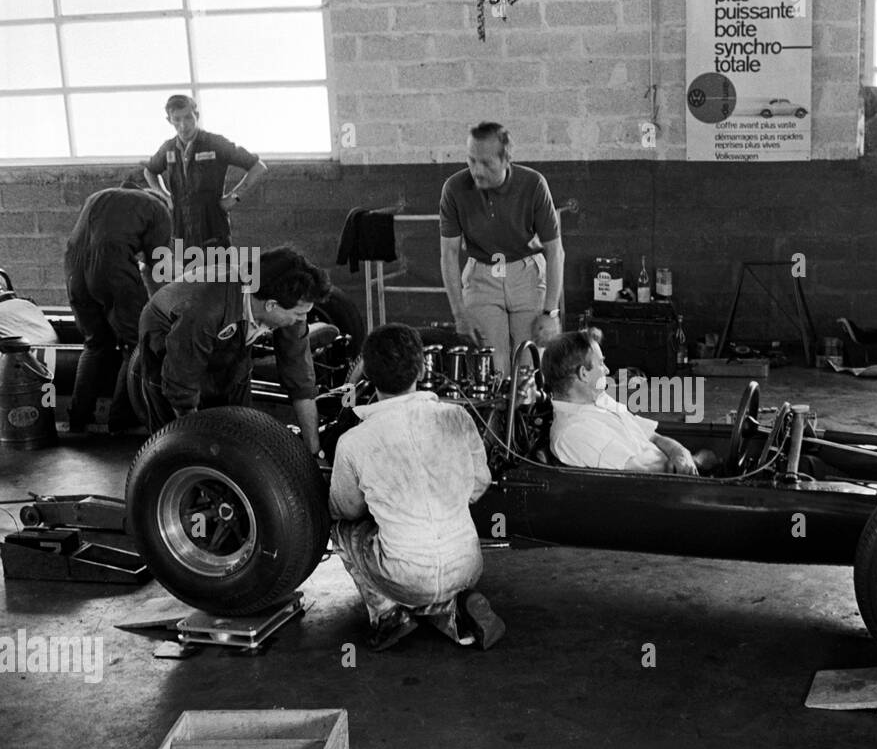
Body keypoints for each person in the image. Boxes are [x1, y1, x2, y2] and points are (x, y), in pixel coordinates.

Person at [329, 323, 502, 651]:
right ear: (423, 368)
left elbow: (346, 510)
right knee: (423, 555)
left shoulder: (353, 442)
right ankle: (452, 613)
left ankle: (387, 614)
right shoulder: (458, 417)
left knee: (342, 529)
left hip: (404, 575)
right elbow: (479, 485)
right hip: (468, 565)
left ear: (368, 375)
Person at [137, 245, 330, 453]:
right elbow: (180, 385)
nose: (303, 319)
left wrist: (313, 451)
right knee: (177, 440)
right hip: (167, 329)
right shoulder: (205, 309)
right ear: (271, 305)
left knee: (239, 429)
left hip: (226, 325)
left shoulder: (288, 303)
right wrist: (199, 448)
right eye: (299, 314)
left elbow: (300, 379)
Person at [439, 122, 565, 375]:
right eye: (472, 161)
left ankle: (527, 414)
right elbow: (449, 254)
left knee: (529, 367)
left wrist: (550, 312)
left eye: (486, 163)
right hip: (481, 277)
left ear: (507, 159)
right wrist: (459, 313)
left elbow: (555, 251)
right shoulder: (454, 188)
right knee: (491, 369)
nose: (477, 171)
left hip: (526, 274)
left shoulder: (533, 184)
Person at [63, 181, 172, 433]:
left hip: (72, 271)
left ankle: (78, 418)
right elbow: (157, 268)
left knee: (95, 344)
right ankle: (121, 419)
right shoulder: (159, 209)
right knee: (136, 344)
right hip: (111, 273)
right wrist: (161, 311)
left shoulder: (100, 195)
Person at [542, 329, 718, 474]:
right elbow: (643, 472)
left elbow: (653, 437)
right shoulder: (574, 432)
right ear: (584, 374)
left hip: (676, 471)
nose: (607, 369)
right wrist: (695, 461)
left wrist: (680, 452)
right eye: (601, 364)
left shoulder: (597, 400)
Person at [143, 95, 268, 253]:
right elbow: (150, 171)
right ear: (169, 120)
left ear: (197, 115)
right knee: (184, 277)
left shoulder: (215, 143)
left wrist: (234, 197)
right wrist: (165, 196)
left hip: (213, 229)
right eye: (177, 119)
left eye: (188, 117)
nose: (183, 125)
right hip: (180, 230)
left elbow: (258, 166)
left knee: (219, 276)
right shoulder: (168, 148)